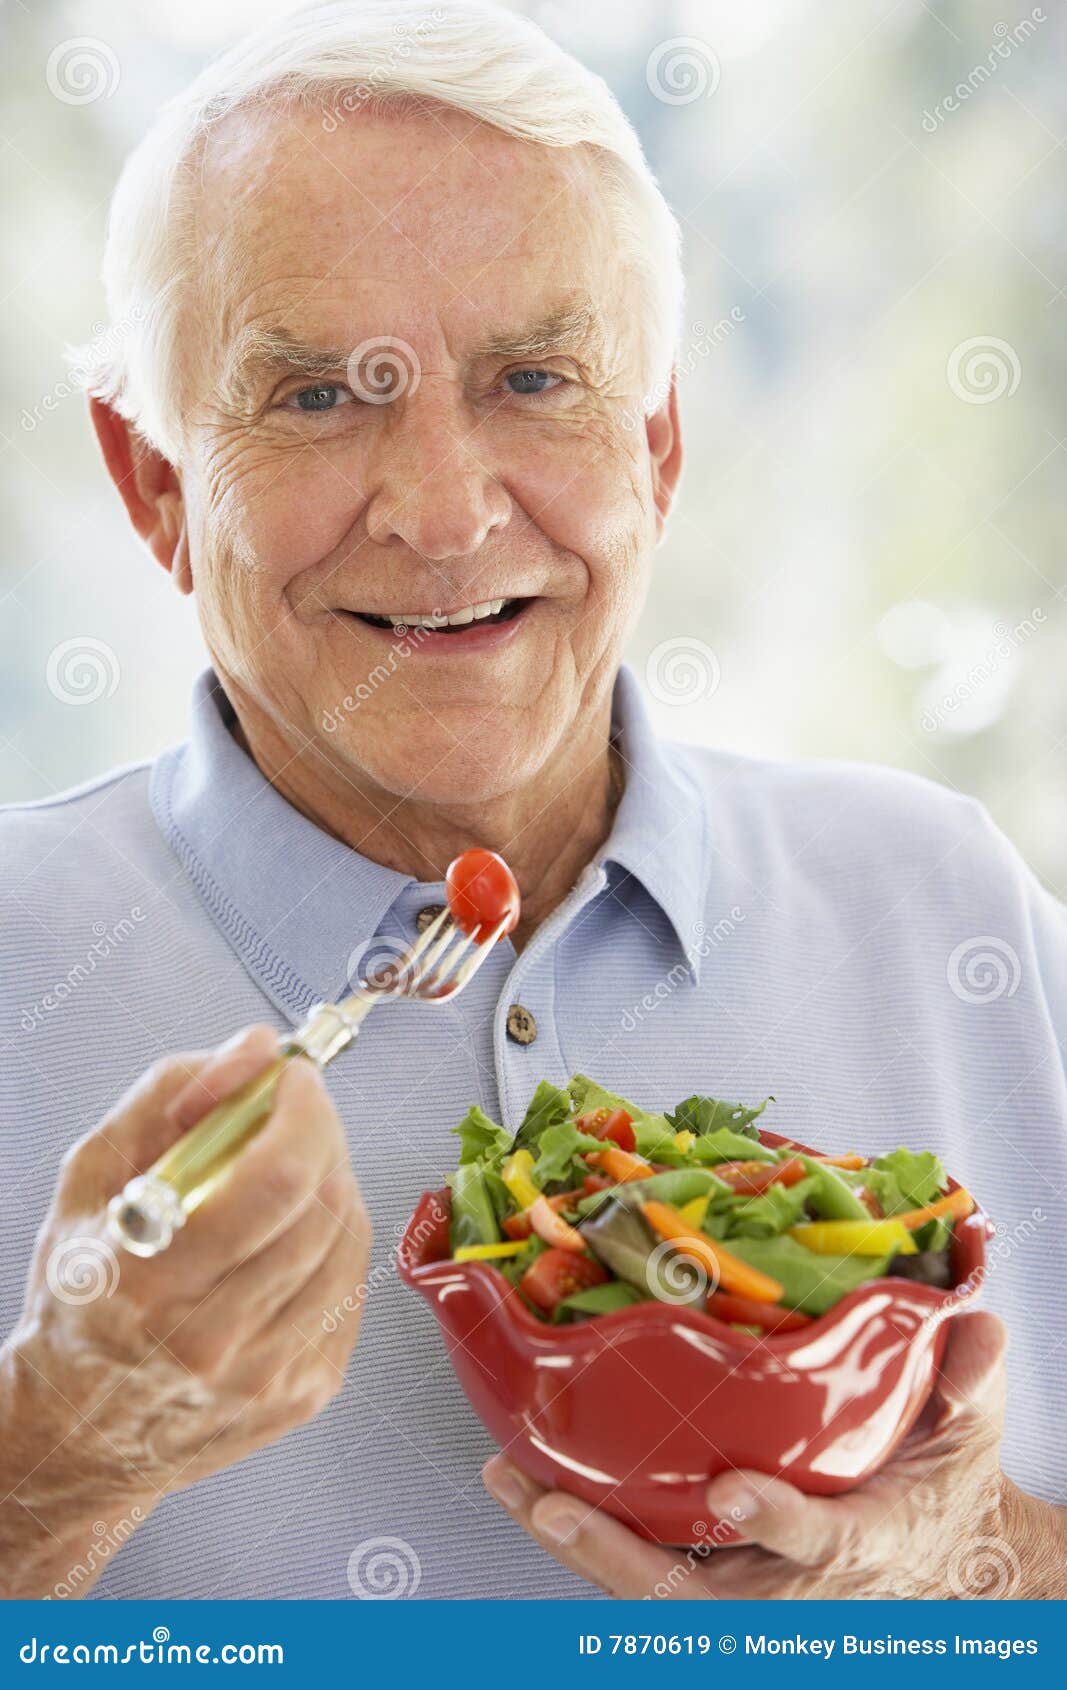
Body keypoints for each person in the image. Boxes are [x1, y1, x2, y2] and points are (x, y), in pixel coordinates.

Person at [1, 0, 1063, 1600]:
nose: (443, 510)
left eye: (534, 377)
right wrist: (55, 1456)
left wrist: (975, 1560)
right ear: (154, 483)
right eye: (316, 396)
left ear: (658, 449)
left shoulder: (948, 906)